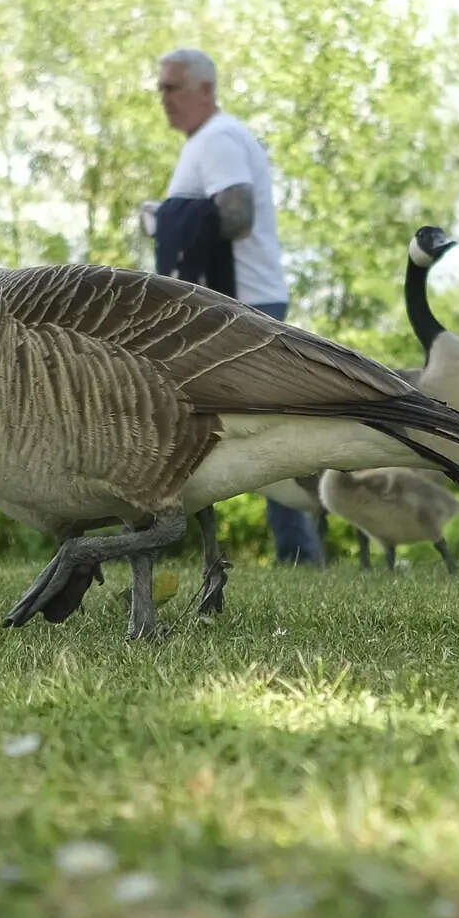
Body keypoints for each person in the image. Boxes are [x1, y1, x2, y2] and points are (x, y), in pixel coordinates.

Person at [145, 47, 325, 566]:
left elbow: (237, 215)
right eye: (160, 88)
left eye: (172, 87)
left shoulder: (218, 139)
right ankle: (294, 554)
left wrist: (166, 220)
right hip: (239, 306)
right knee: (243, 432)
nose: (163, 98)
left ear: (205, 89)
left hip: (239, 311)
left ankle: (299, 555)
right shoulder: (211, 140)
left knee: (257, 435)